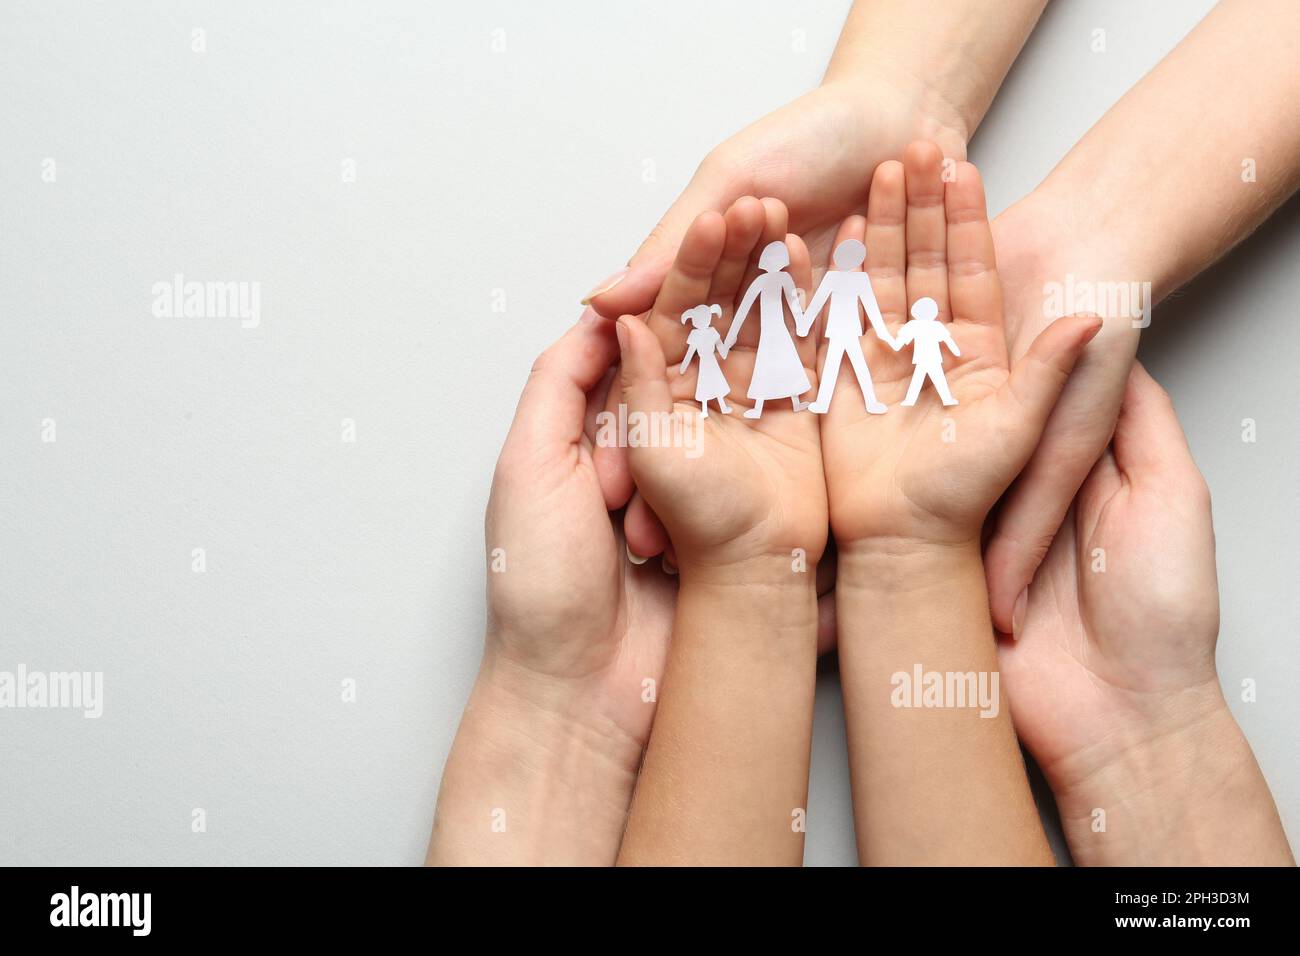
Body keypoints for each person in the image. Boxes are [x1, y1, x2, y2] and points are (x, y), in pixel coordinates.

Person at [800, 239, 893, 414]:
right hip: (841, 329)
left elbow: (870, 305)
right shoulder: (836, 277)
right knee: (844, 365)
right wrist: (805, 324)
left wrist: (882, 331)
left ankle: (865, 403)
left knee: (842, 365)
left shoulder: (856, 278)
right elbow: (818, 301)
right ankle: (828, 403)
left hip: (845, 329)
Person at [722, 241, 811, 418]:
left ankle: (791, 402)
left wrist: (801, 323)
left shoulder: (781, 279)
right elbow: (744, 307)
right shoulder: (763, 280)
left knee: (784, 359)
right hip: (770, 328)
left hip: (777, 326)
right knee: (772, 360)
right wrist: (731, 336)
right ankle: (760, 406)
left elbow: (793, 302)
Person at [893, 296, 959, 406]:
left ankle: (910, 400)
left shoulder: (914, 326)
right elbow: (948, 340)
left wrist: (891, 340)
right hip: (932, 358)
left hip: (923, 358)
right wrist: (955, 350)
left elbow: (898, 344)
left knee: (918, 379)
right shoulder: (934, 326)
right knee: (937, 379)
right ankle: (946, 399)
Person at [679, 304, 732, 416]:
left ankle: (723, 407)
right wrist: (683, 366)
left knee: (716, 381)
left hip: (711, 361)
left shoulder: (712, 331)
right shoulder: (695, 334)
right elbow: (690, 352)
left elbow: (723, 351)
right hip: (704, 362)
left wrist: (729, 344)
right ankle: (704, 410)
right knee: (704, 383)